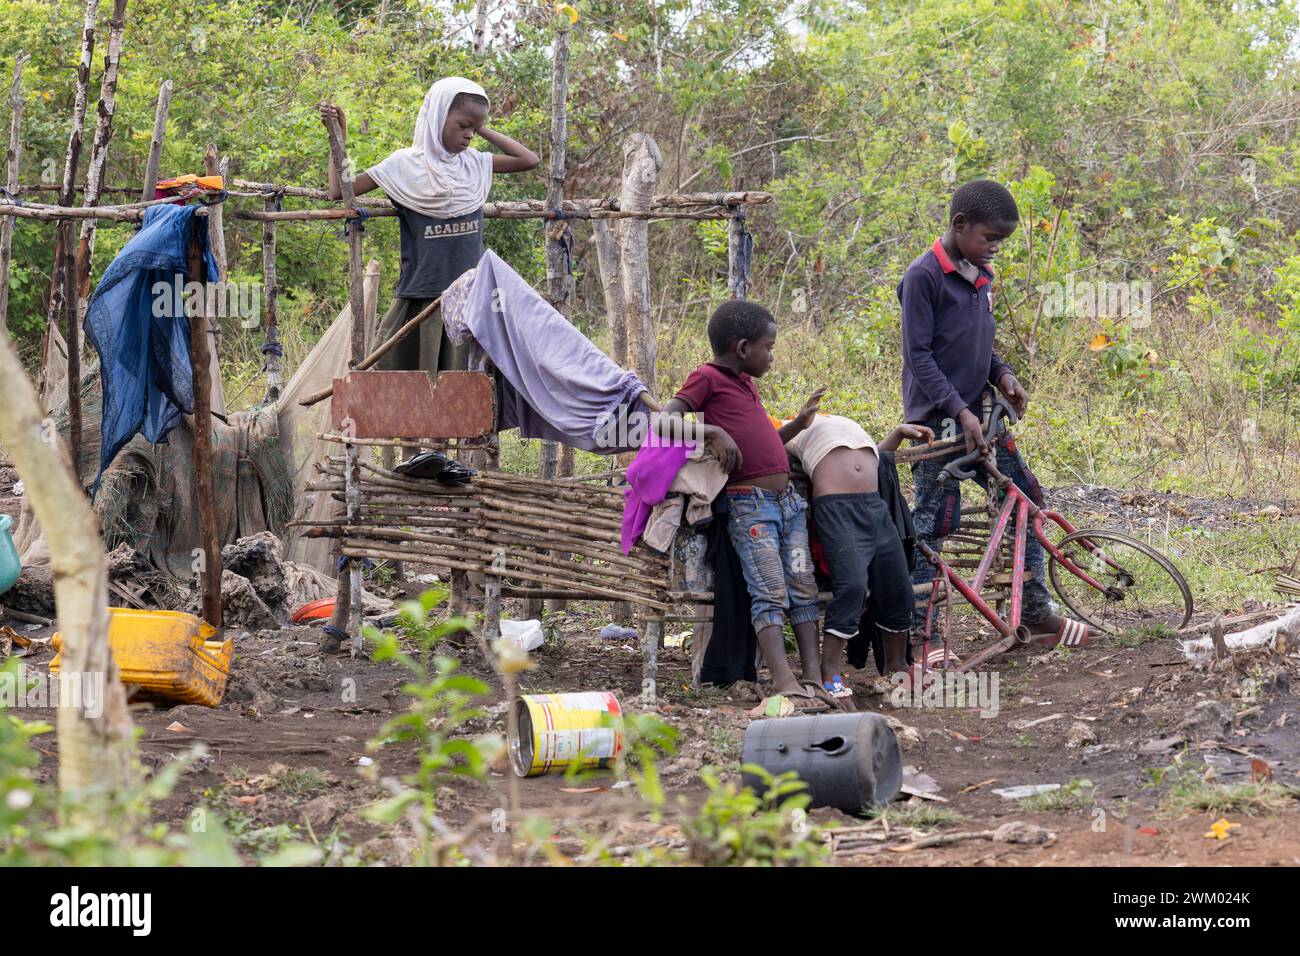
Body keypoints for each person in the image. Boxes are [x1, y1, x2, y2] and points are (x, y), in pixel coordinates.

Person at [898, 179, 1093, 660]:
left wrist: (1004, 375)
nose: (995, 249)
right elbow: (920, 357)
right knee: (933, 525)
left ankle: (1033, 614)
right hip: (938, 425)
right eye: (990, 238)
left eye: (1001, 242)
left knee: (1024, 502)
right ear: (959, 225)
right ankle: (926, 637)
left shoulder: (979, 275)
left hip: (986, 419)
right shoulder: (923, 277)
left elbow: (980, 345)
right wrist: (958, 410)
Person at [656, 300, 828, 709]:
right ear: (744, 347)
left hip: (787, 505)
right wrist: (711, 432)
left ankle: (814, 679)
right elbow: (662, 421)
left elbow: (764, 446)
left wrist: (797, 426)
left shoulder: (747, 384)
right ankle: (784, 682)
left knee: (803, 588)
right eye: (769, 347)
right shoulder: (706, 378)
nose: (772, 356)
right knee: (769, 590)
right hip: (750, 506)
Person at [319, 76, 539, 378]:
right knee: (403, 387)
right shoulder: (404, 167)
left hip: (469, 302)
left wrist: (479, 125)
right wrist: (338, 139)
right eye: (463, 125)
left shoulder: (475, 165)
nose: (470, 135)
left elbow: (528, 159)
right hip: (420, 297)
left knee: (467, 392)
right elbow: (339, 190)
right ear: (437, 116)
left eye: (474, 129)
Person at [783, 415, 933, 705]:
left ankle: (896, 669)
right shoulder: (795, 429)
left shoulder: (842, 426)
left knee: (898, 585)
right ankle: (831, 676)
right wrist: (798, 422)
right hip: (836, 508)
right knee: (851, 586)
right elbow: (770, 447)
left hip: (874, 507)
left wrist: (898, 432)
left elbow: (873, 456)